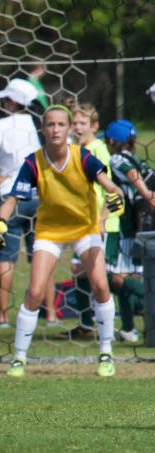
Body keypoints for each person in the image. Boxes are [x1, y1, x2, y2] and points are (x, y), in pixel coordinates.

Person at [0, 105, 124, 378]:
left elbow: (110, 186)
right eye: (50, 124)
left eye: (61, 125)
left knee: (100, 285)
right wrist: (1, 222)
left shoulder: (83, 157)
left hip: (85, 229)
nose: (55, 129)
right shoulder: (33, 162)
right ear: (43, 129)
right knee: (34, 292)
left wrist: (114, 195)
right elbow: (11, 200)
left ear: (68, 130)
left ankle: (106, 351)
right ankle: (19, 358)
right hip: (50, 231)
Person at [0, 79, 58, 329]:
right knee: (42, 255)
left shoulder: (1, 125)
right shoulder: (37, 124)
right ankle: (52, 315)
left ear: (11, 102)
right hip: (38, 195)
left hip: (8, 195)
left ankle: (3, 317)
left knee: (6, 257)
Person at [56, 103, 113, 340]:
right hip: (80, 222)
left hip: (100, 222)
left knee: (102, 277)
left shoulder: (98, 150)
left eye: (83, 123)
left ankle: (111, 324)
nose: (78, 128)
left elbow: (111, 190)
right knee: (79, 272)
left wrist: (101, 219)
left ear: (95, 126)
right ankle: (86, 325)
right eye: (75, 123)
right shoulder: (73, 150)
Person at [105, 119, 155, 343]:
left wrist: (147, 195)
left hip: (124, 227)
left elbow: (133, 176)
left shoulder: (117, 158)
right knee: (123, 277)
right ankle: (127, 329)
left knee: (113, 278)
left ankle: (147, 302)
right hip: (133, 227)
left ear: (112, 141)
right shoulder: (134, 156)